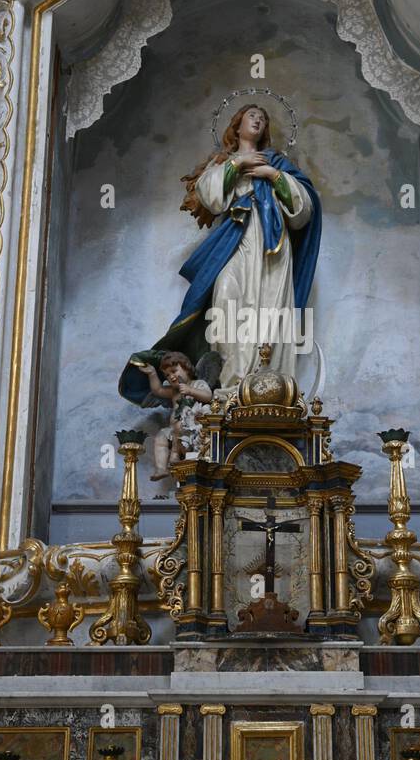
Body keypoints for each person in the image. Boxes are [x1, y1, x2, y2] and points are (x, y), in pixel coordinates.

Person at [119, 103, 321, 405]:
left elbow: (303, 211)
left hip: (273, 249)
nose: (258, 120)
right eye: (252, 116)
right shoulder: (224, 161)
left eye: (263, 118)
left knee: (269, 314)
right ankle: (232, 384)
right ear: (236, 126)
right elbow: (210, 196)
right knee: (226, 299)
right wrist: (237, 164)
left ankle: (268, 384)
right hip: (235, 242)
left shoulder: (277, 162)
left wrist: (272, 175)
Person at [134, 351, 213, 480]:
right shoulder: (174, 392)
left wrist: (191, 391)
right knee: (160, 437)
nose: (171, 376)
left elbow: (208, 396)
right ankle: (161, 468)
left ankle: (175, 455)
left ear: (187, 368)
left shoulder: (197, 384)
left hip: (192, 431)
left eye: (174, 371)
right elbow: (157, 390)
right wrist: (152, 373)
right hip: (174, 431)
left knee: (179, 426)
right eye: (167, 375)